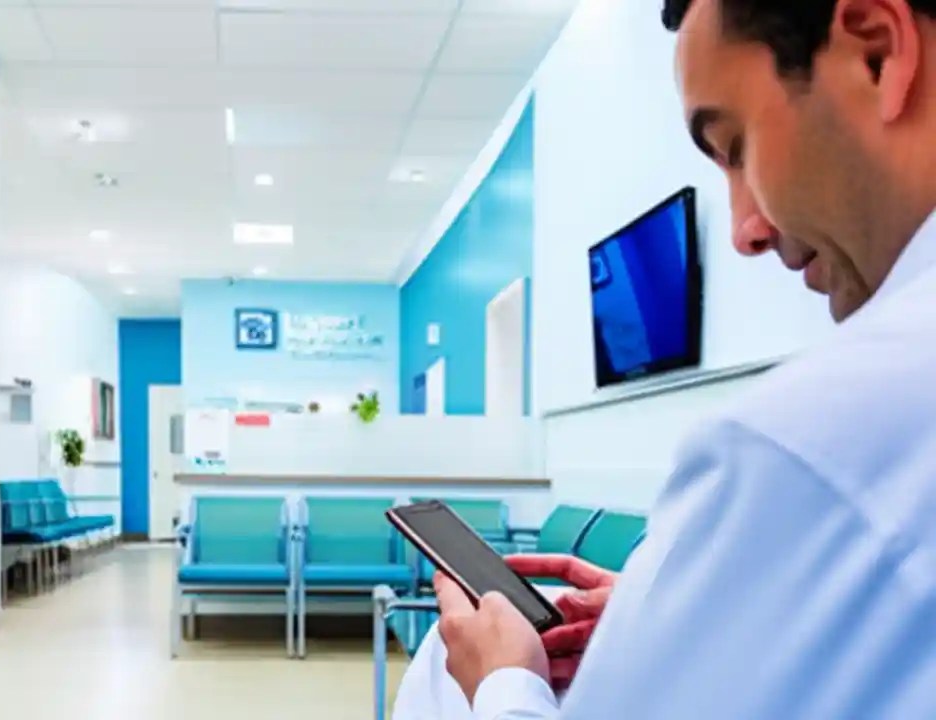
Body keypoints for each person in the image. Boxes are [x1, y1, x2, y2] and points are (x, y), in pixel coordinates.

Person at [394, 0, 936, 717]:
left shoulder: (816, 438)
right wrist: (691, 624)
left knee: (441, 667)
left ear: (874, 51)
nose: (746, 229)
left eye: (735, 145)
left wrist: (504, 682)